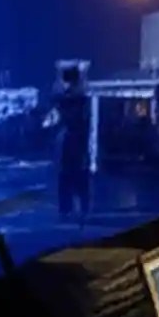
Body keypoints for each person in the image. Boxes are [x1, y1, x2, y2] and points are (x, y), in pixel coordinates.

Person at [44, 67, 91, 219]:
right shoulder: (79, 99)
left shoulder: (72, 100)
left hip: (73, 142)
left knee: (69, 177)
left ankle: (69, 209)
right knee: (75, 177)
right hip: (75, 143)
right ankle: (78, 208)